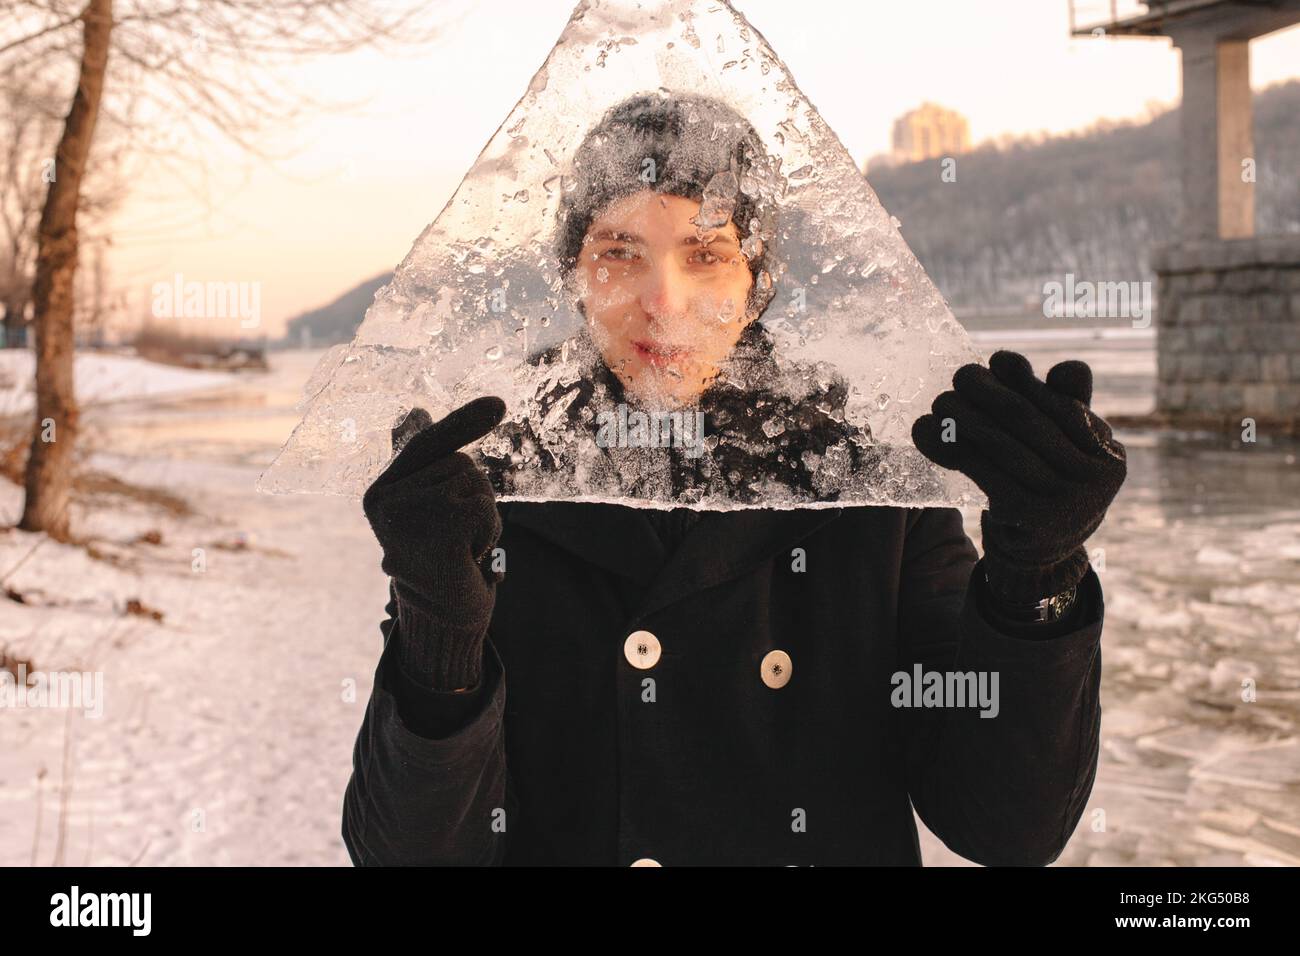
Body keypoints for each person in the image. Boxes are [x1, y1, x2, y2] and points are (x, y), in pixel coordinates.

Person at [342, 93, 1127, 866]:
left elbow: (1007, 826)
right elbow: (405, 855)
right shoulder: (491, 490)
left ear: (756, 281)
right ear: (573, 274)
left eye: (707, 255)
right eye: (618, 252)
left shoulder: (863, 486)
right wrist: (439, 635)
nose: (663, 303)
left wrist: (1036, 580)